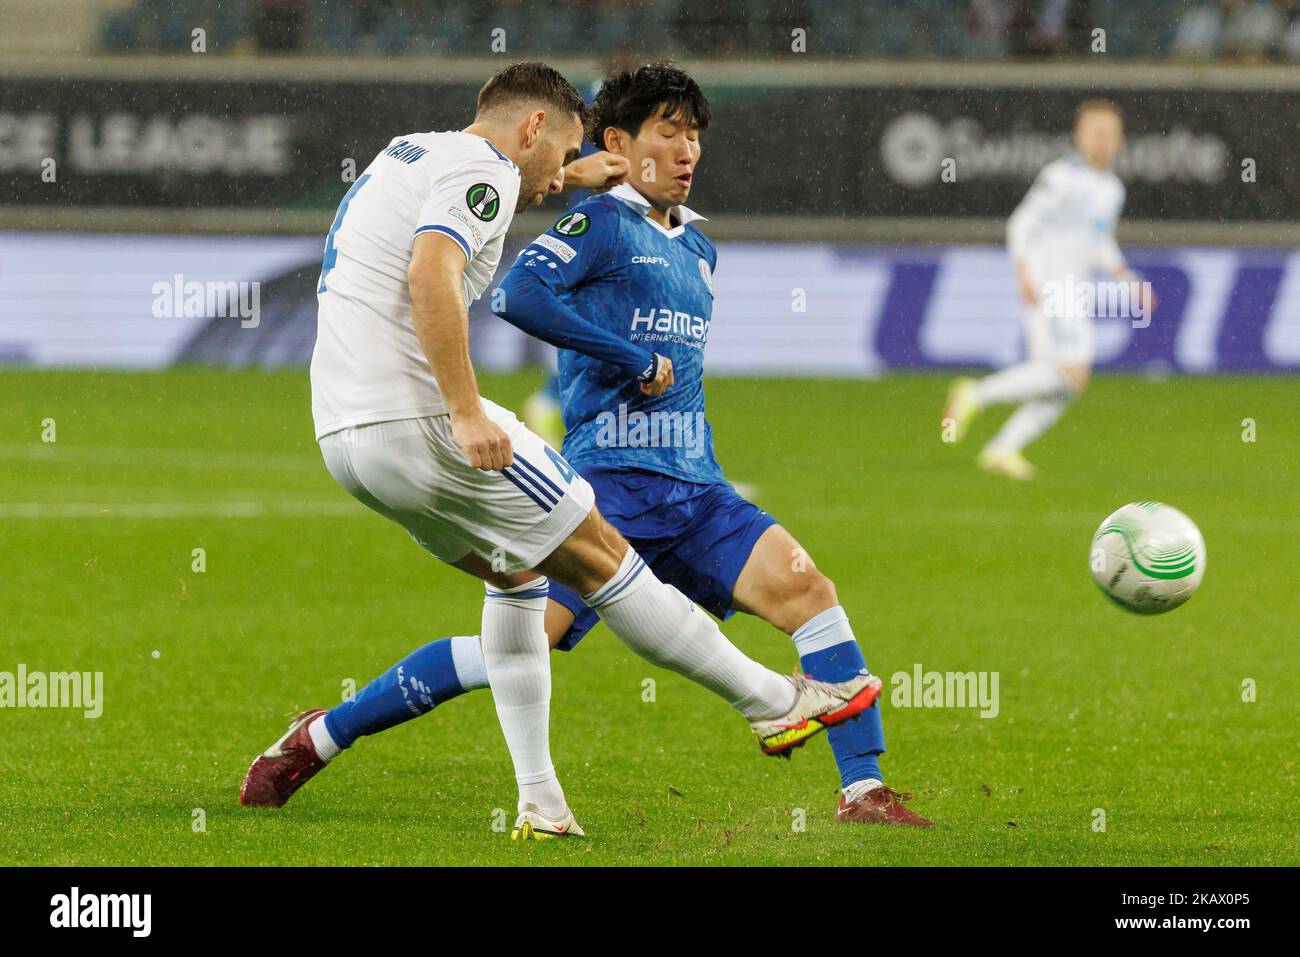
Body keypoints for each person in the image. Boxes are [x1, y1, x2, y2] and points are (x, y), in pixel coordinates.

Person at [244, 63, 929, 829]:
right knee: (512, 635)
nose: (686, 150)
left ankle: (861, 791)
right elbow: (504, 284)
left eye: (694, 135)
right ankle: (331, 731)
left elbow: (507, 184)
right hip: (601, 478)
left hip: (693, 487)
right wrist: (488, 403)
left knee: (809, 592)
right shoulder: (591, 222)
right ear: (609, 141)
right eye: (667, 133)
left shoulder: (694, 244)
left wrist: (564, 171)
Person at [943, 99, 1152, 480]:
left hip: (1075, 286)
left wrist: (1129, 280)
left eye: (1108, 134)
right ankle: (975, 395)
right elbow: (1021, 222)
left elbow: (1098, 243)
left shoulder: (1111, 190)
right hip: (1049, 284)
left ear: (1120, 140)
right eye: (1094, 133)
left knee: (1062, 382)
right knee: (1072, 372)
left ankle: (1001, 448)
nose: (1101, 141)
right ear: (1079, 136)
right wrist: (1023, 270)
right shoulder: (1061, 177)